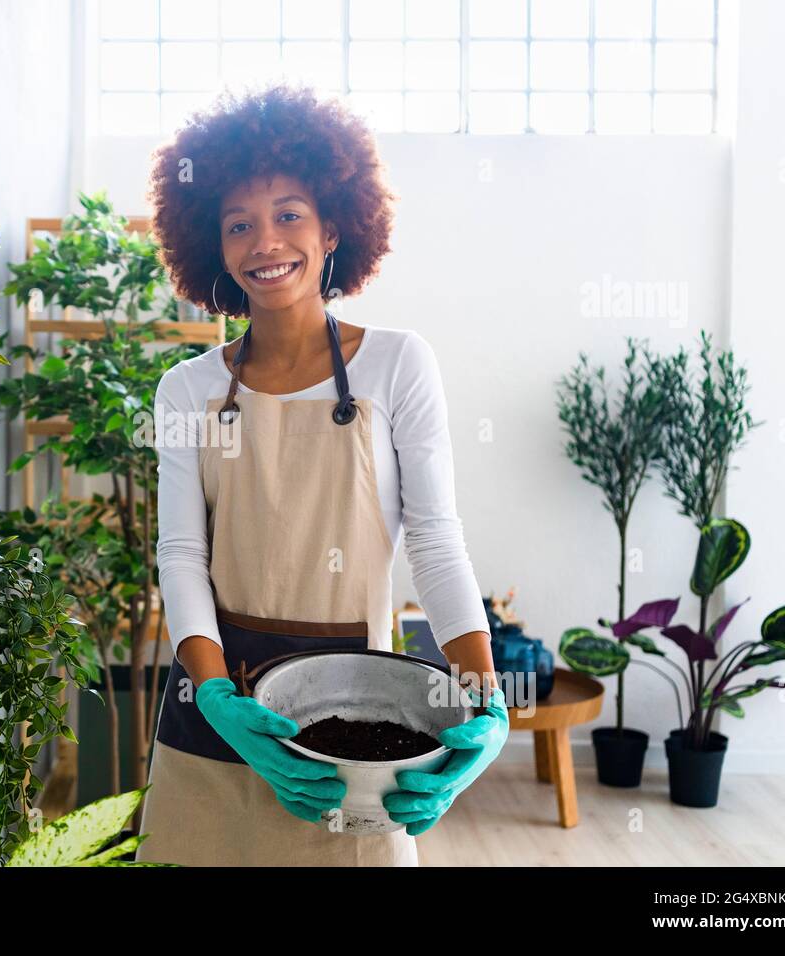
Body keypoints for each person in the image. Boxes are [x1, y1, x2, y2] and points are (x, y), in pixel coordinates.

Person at [135, 83, 508, 867]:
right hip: (217, 718)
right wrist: (217, 699)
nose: (264, 242)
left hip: (360, 733)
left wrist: (485, 698)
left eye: (288, 214)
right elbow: (180, 557)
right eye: (239, 224)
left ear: (334, 225)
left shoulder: (398, 363)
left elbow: (437, 545)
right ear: (214, 245)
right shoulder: (187, 389)